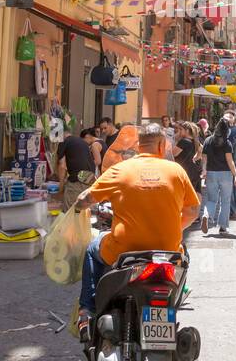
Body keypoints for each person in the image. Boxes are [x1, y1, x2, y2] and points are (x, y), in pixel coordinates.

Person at [75, 122, 200, 326]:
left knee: (91, 250)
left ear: (138, 146)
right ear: (162, 146)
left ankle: (87, 311)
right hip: (167, 251)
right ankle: (176, 299)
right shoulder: (176, 171)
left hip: (123, 251)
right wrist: (175, 228)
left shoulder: (120, 170)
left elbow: (84, 199)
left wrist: (77, 207)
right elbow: (193, 211)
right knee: (184, 256)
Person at [200, 117, 236, 236]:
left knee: (212, 199)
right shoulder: (227, 142)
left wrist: (204, 171)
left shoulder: (207, 140)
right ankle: (222, 227)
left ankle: (206, 215)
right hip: (226, 174)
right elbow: (230, 160)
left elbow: (204, 159)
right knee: (225, 201)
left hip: (211, 173)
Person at [57, 128, 97, 212]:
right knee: (82, 210)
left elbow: (62, 165)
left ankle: (69, 225)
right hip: (90, 177)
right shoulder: (81, 141)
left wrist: (61, 185)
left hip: (80, 177)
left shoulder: (64, 142)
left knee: (70, 210)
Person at [174, 121, 203, 196]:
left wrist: (176, 138)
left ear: (187, 131)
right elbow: (199, 156)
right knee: (194, 193)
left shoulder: (184, 141)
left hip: (184, 171)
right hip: (194, 171)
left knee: (183, 194)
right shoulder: (196, 142)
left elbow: (173, 153)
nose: (179, 131)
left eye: (181, 129)